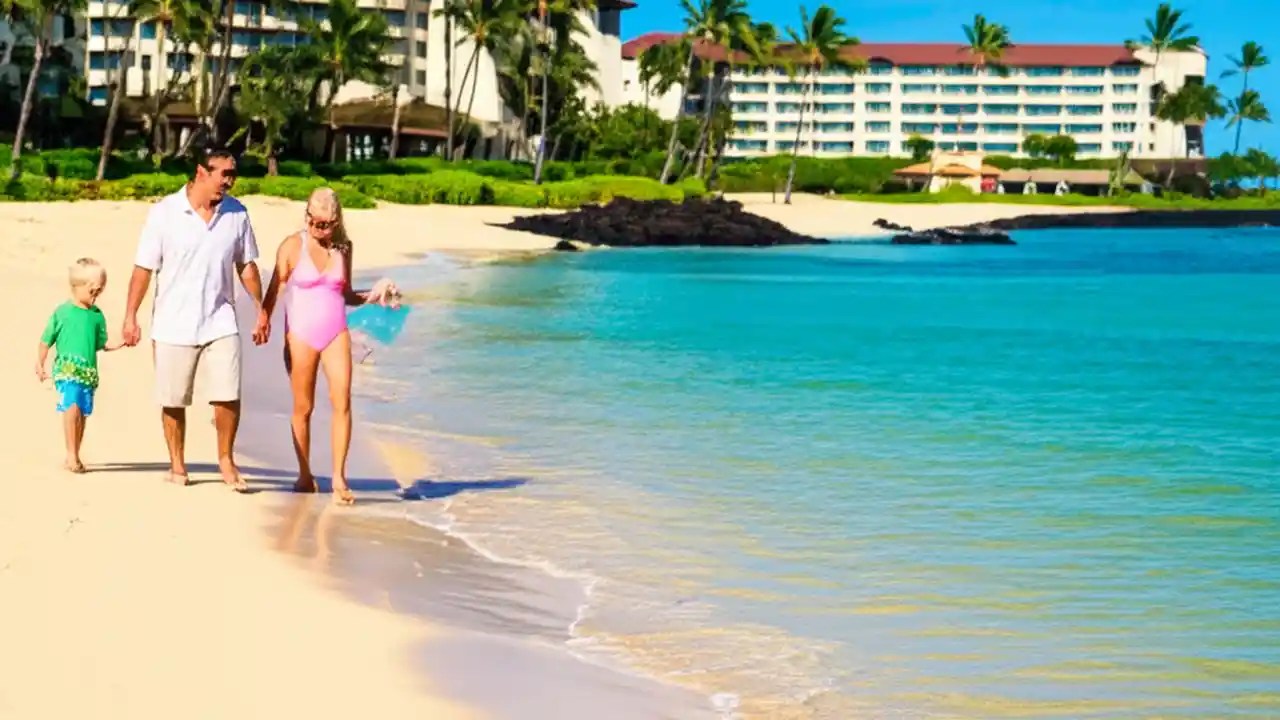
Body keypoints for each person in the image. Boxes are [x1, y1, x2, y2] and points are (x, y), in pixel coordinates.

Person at [121, 146, 267, 491]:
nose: (230, 182)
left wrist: (260, 308)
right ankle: (177, 464)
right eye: (224, 175)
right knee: (173, 398)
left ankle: (227, 462)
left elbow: (246, 265)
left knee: (228, 394)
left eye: (233, 175)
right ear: (202, 171)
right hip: (173, 322)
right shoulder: (164, 213)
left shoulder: (237, 214)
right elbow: (144, 268)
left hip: (221, 320)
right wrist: (130, 316)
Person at [259, 187, 399, 506]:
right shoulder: (293, 246)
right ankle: (304, 474)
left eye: (326, 224)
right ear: (307, 216)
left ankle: (338, 477)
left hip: (336, 331)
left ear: (337, 222)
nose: (320, 229)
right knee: (303, 407)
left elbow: (345, 294)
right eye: (314, 222)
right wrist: (263, 320)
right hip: (301, 334)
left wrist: (375, 295)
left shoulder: (343, 248)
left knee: (343, 401)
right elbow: (275, 288)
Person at [35, 258, 124, 473]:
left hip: (88, 372)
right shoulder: (62, 312)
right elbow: (46, 340)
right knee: (71, 406)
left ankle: (75, 452)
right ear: (77, 286)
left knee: (82, 413)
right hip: (67, 370)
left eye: (99, 292)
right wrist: (40, 362)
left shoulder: (96, 316)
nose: (96, 296)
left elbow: (101, 344)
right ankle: (71, 455)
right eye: (92, 290)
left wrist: (122, 342)